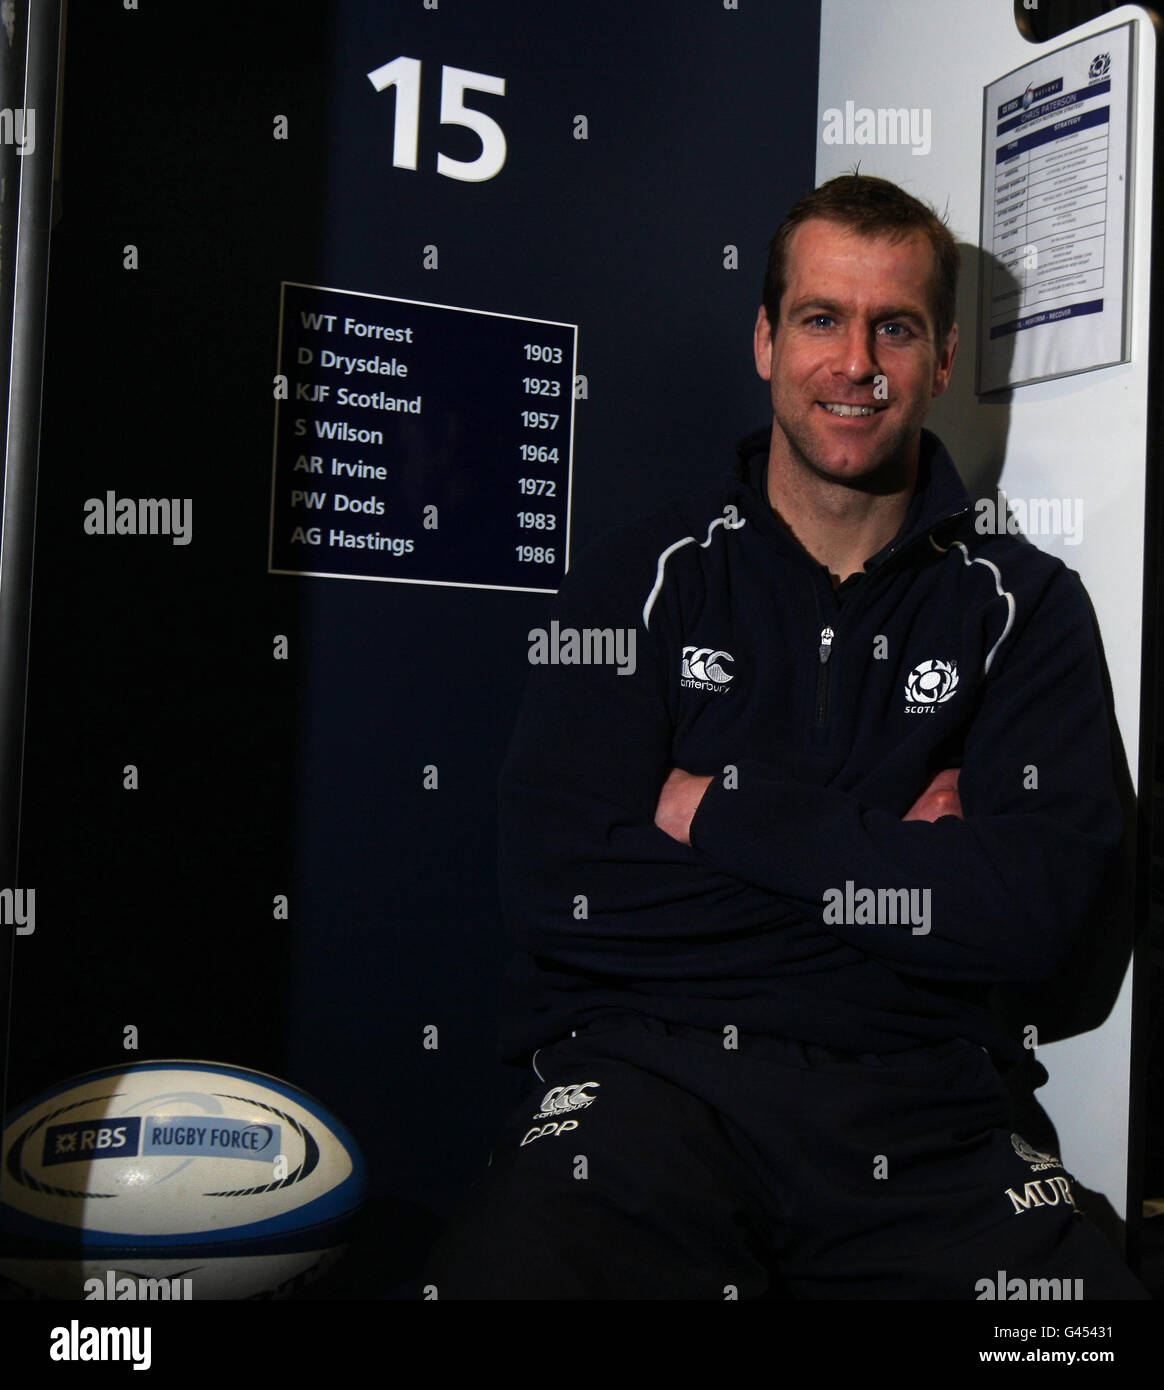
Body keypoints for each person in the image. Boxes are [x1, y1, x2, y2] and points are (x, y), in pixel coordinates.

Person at [424, 173, 1147, 1299]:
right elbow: (562, 889)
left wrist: (716, 811)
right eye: (820, 319)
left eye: (894, 328)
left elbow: (1037, 917)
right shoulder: (639, 578)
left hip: (930, 1116)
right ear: (766, 341)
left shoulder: (1026, 607)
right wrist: (908, 887)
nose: (855, 363)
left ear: (942, 359)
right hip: (647, 1094)